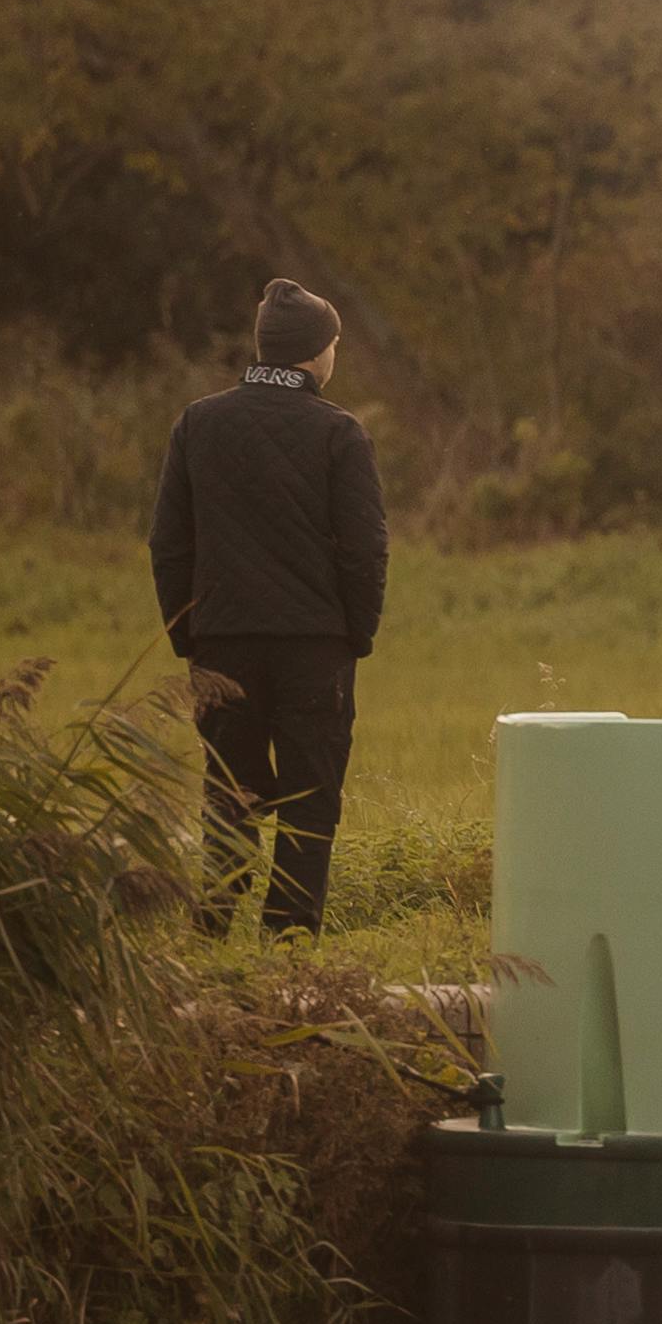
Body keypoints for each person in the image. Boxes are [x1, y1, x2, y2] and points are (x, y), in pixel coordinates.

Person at [150, 278, 387, 933]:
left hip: (223, 642)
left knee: (229, 788)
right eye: (334, 341)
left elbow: (169, 544)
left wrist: (190, 637)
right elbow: (365, 550)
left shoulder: (198, 423)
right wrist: (355, 634)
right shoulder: (340, 432)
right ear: (314, 353)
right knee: (312, 796)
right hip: (316, 647)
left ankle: (214, 922)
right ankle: (287, 934)